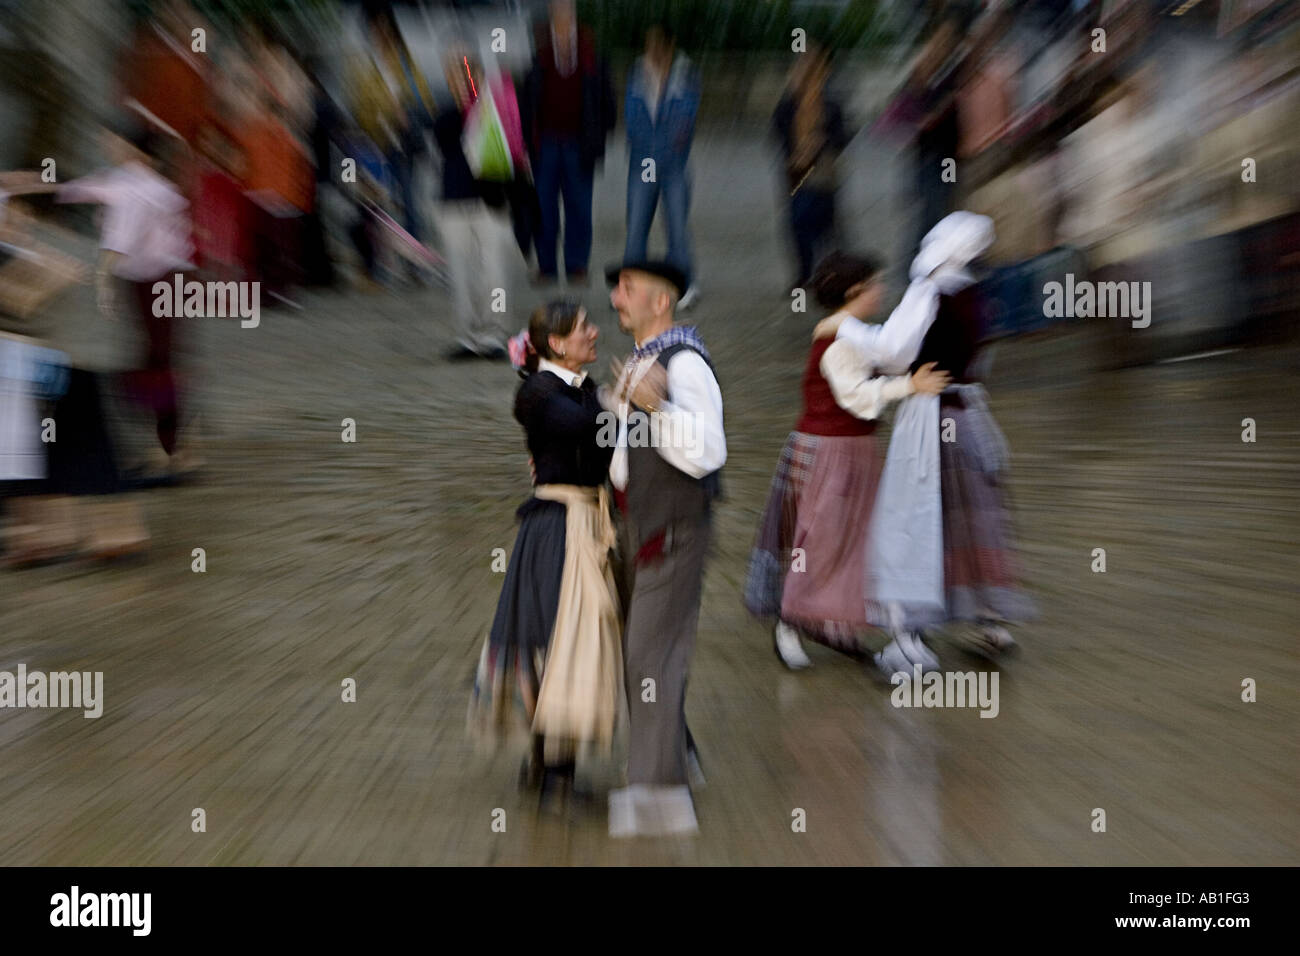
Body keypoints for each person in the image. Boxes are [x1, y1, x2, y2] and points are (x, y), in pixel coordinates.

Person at [818, 212, 1034, 674]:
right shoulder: (973, 290)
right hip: (969, 412)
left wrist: (845, 327)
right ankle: (990, 619)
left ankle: (910, 633)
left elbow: (893, 350)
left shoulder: (930, 290)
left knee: (916, 516)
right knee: (973, 512)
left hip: (931, 415)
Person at [745, 252, 950, 669]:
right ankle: (791, 619)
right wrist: (908, 386)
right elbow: (855, 396)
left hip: (854, 450)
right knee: (820, 538)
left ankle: (834, 622)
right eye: (876, 283)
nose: (882, 290)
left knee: (856, 538)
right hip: (827, 450)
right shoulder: (837, 340)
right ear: (856, 291)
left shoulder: (857, 333)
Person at [468, 300, 623, 811]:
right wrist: (621, 405)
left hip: (582, 522)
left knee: (562, 642)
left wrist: (616, 406)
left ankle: (543, 769)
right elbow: (588, 430)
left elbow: (607, 438)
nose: (595, 333)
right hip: (558, 527)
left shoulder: (575, 391)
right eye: (584, 328)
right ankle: (554, 780)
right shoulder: (538, 392)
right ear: (556, 343)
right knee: (560, 643)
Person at [603, 260, 725, 837]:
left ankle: (658, 797)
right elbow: (628, 458)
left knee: (649, 656)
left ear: (661, 303)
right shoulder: (642, 365)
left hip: (672, 532)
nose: (614, 297)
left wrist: (655, 406)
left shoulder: (685, 365)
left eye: (627, 288)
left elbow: (707, 452)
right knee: (647, 650)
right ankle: (679, 759)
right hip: (641, 529)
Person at [59, 121, 198, 481]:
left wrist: (103, 280)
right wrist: (39, 184)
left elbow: (119, 238)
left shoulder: (135, 185)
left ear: (131, 148)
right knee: (155, 359)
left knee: (157, 362)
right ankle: (170, 446)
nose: (105, 143)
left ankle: (171, 451)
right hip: (161, 279)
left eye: (110, 139)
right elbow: (86, 189)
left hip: (159, 280)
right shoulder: (129, 179)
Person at [522, 0, 615, 285]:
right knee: (544, 207)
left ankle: (577, 266)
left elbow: (606, 102)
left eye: (566, 14)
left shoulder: (592, 56)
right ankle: (547, 266)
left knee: (579, 206)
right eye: (556, 15)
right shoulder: (538, 54)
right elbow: (527, 101)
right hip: (545, 144)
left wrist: (598, 136)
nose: (562, 22)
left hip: (578, 143)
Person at [433, 51, 518, 360]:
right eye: (454, 78)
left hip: (490, 201)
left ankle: (495, 332)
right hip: (454, 201)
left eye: (466, 77)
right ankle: (468, 333)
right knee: (462, 271)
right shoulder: (446, 114)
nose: (461, 83)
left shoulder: (497, 112)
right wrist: (465, 110)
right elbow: (444, 140)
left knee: (493, 269)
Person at [623, 23, 700, 309]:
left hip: (674, 164)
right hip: (643, 161)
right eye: (648, 44)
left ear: (668, 45)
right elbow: (632, 118)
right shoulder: (637, 73)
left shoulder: (686, 73)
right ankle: (630, 287)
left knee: (677, 226)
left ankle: (684, 284)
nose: (651, 50)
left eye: (656, 44)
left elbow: (685, 120)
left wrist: (663, 149)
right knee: (636, 226)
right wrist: (651, 150)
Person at [772, 40, 849, 292]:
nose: (805, 64)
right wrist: (794, 154)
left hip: (823, 172)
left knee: (823, 223)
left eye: (811, 60)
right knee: (797, 222)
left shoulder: (830, 97)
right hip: (796, 171)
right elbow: (777, 129)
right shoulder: (791, 99)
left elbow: (842, 135)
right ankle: (807, 272)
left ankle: (826, 272)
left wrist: (819, 143)